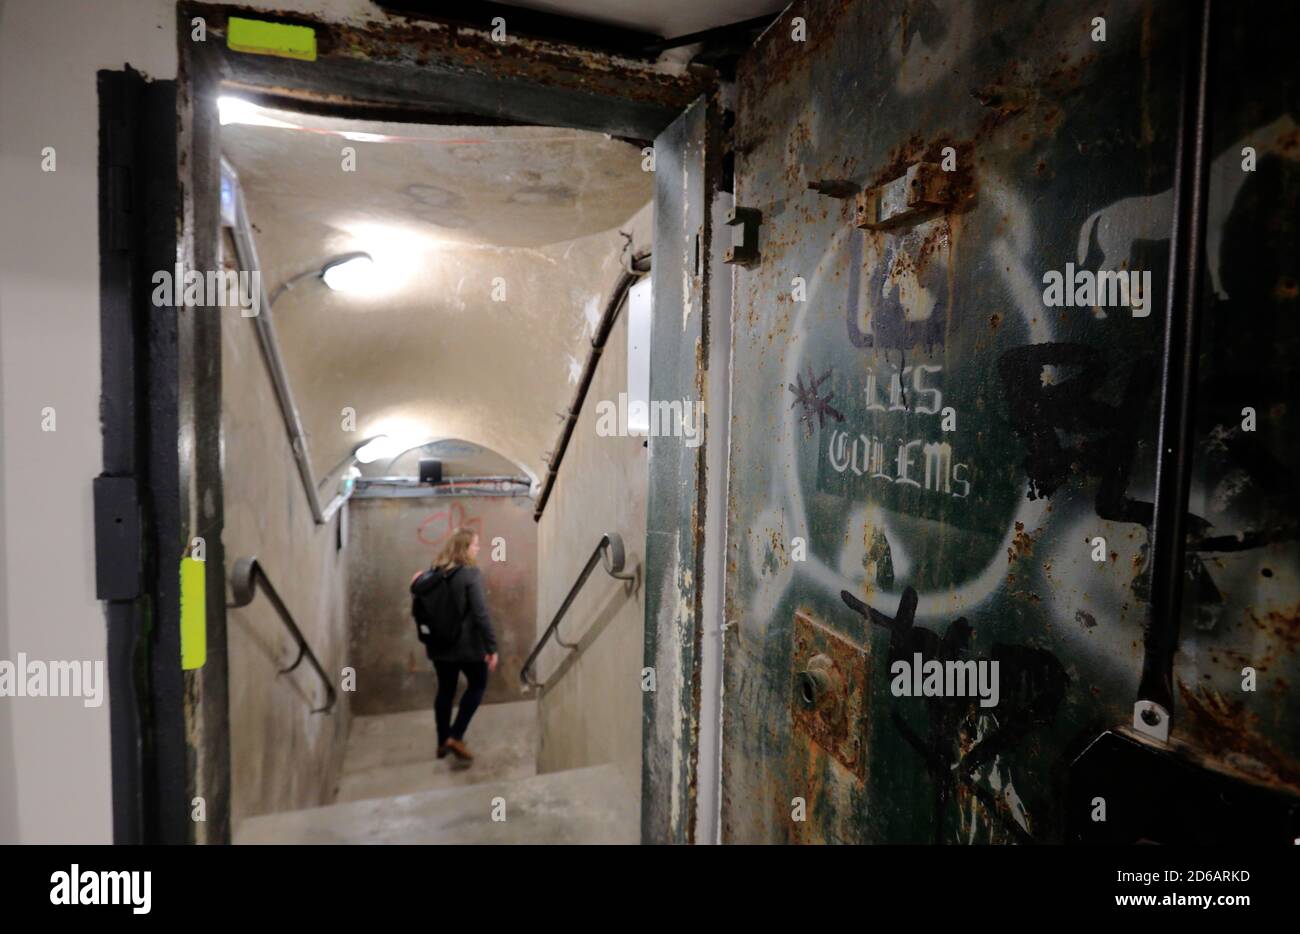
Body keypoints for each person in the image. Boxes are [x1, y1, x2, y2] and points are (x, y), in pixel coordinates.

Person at [413, 527, 499, 761]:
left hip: (439, 647)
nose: (478, 548)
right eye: (475, 544)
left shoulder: (433, 573)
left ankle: (442, 741)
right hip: (468, 648)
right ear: (464, 548)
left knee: (445, 691)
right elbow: (481, 615)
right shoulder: (470, 574)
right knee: (478, 685)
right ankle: (455, 735)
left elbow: (419, 598)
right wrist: (492, 648)